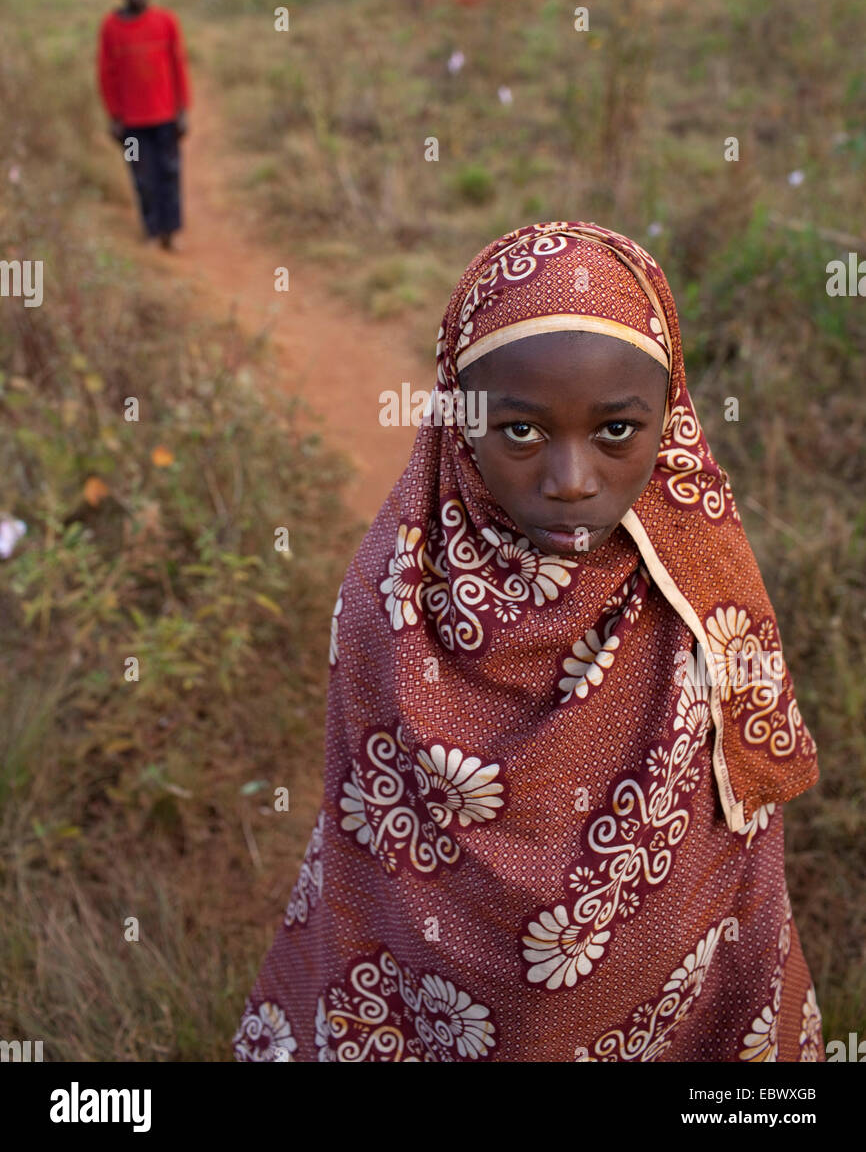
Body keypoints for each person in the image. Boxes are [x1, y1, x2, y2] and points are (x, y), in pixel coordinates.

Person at [233, 220, 823, 1063]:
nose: (573, 480)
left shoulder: (697, 587)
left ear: (671, 417)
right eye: (521, 432)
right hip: (443, 1006)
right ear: (459, 421)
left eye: (618, 430)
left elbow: (734, 847)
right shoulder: (392, 595)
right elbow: (375, 855)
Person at [97, 0, 190, 251]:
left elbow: (179, 66)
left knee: (169, 172)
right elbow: (106, 74)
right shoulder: (111, 28)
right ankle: (150, 230)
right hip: (132, 125)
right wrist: (114, 117)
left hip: (165, 118)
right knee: (142, 175)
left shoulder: (166, 21)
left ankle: (170, 232)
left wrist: (183, 110)